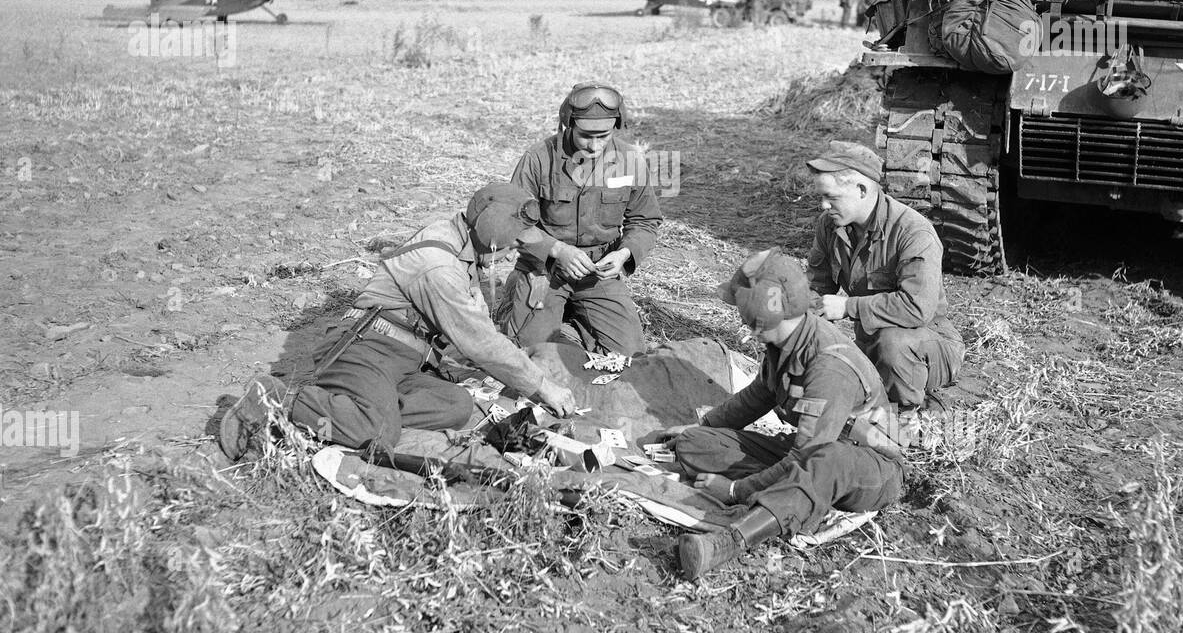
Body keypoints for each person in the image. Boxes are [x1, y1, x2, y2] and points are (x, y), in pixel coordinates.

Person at [217, 183, 578, 460]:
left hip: (402, 359)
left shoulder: (462, 246)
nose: (517, 248)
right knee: (377, 432)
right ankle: (279, 399)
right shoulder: (439, 266)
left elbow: (477, 324)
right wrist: (541, 386)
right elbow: (480, 341)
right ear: (495, 230)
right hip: (365, 348)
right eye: (515, 240)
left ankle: (360, 409)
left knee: (457, 406)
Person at [666, 250, 904, 581]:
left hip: (870, 466)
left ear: (761, 311)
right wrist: (701, 426)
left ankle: (728, 542)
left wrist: (735, 491)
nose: (741, 318)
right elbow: (756, 397)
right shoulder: (786, 344)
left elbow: (808, 454)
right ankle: (790, 492)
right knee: (695, 443)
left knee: (824, 462)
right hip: (810, 449)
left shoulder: (829, 365)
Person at [502, 82, 661, 356]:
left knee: (631, 356)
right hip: (545, 270)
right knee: (531, 354)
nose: (595, 145)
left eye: (604, 136)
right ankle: (533, 301)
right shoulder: (538, 159)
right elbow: (515, 221)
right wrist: (556, 250)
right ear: (568, 124)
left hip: (598, 272)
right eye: (586, 136)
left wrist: (624, 254)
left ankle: (574, 325)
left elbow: (645, 220)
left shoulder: (631, 160)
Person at [805, 141, 964, 415]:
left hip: (928, 344)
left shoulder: (913, 232)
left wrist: (847, 307)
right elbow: (816, 288)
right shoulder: (830, 226)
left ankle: (904, 416)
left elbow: (917, 309)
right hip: (870, 345)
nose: (823, 205)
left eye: (831, 197)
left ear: (862, 190)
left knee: (892, 342)